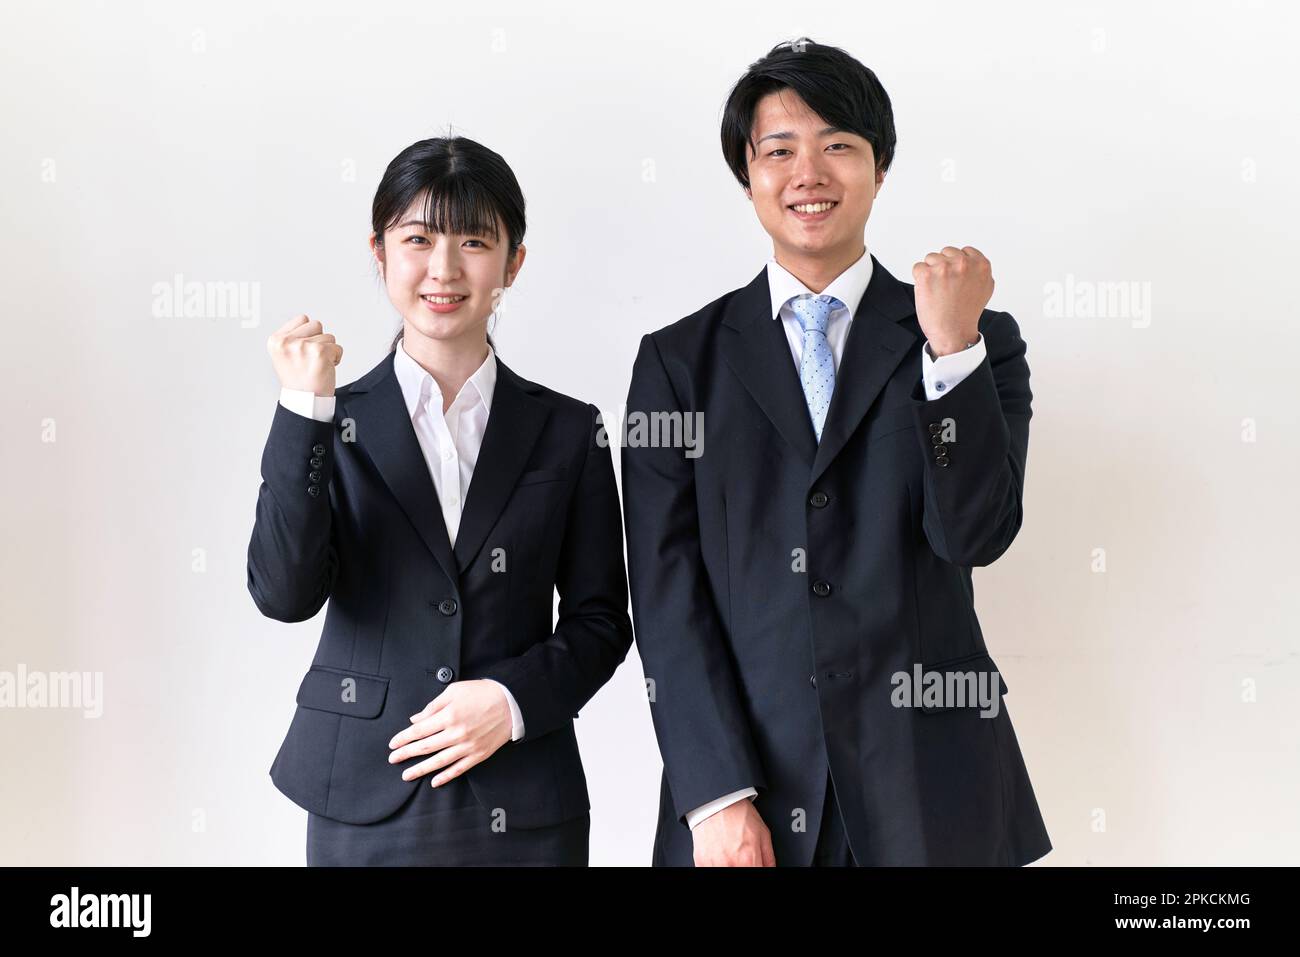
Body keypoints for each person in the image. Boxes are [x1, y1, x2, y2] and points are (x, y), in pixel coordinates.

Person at [621, 38, 1052, 866]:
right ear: (748, 176)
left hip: (933, 787)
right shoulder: (678, 363)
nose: (807, 173)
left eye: (838, 146)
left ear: (880, 168)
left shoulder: (972, 341)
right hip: (749, 793)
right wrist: (714, 794)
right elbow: (666, 592)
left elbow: (976, 536)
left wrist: (952, 349)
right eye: (778, 150)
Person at [247, 135, 632, 865]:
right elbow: (284, 593)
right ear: (380, 251)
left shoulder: (569, 430)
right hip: (364, 790)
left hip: (522, 797)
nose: (444, 268)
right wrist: (303, 411)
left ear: (513, 261)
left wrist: (511, 701)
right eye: (418, 238)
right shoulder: (330, 418)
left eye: (474, 241)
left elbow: (601, 619)